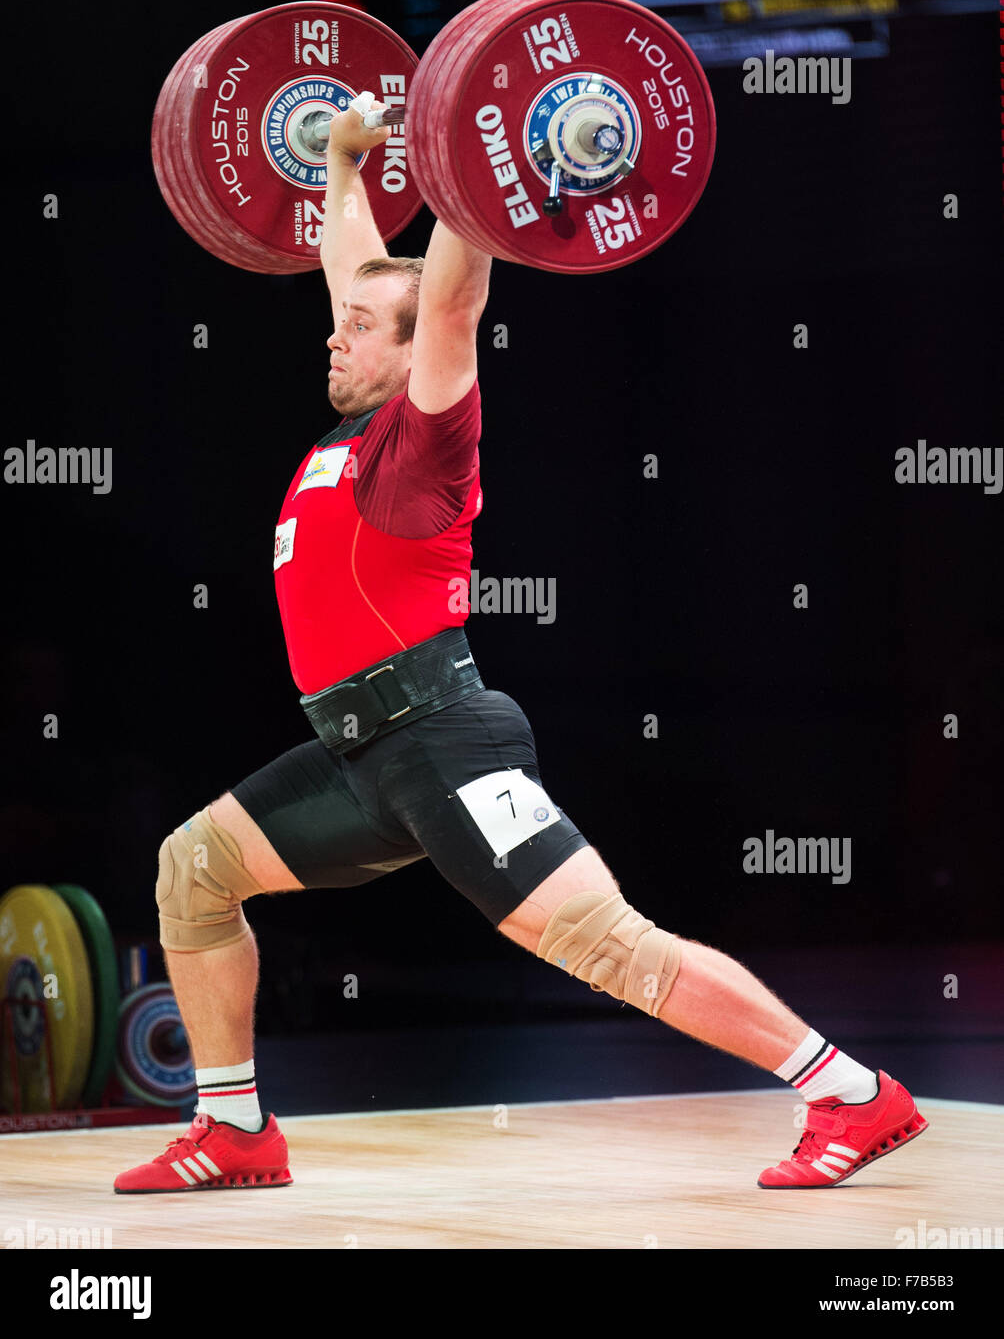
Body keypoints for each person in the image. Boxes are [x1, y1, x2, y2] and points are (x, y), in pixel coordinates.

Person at [115, 102, 927, 1194]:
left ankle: (848, 1092)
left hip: (444, 743)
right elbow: (357, 261)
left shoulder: (425, 434)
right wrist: (346, 162)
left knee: (607, 946)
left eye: (360, 326)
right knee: (193, 868)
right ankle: (235, 1130)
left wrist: (470, 160)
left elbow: (445, 293)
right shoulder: (356, 422)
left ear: (417, 353)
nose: (334, 331)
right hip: (360, 758)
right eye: (340, 318)